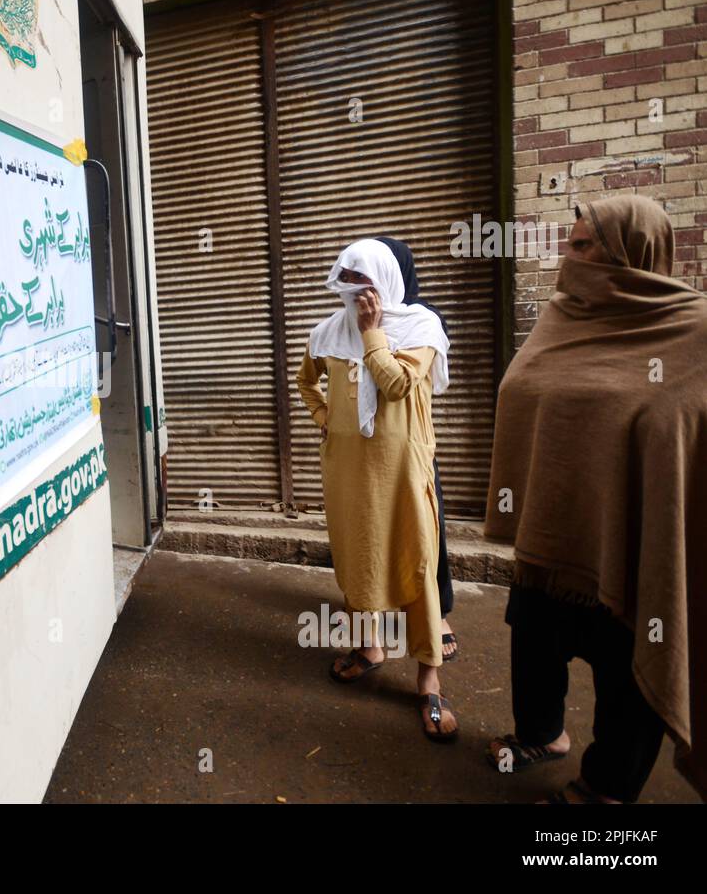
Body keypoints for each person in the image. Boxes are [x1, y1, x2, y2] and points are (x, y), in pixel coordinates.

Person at [483, 195, 707, 803]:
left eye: (584, 247)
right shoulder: (563, 315)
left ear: (633, 254)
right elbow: (524, 391)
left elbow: (684, 427)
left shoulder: (693, 330)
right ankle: (542, 733)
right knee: (533, 637)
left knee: (627, 664)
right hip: (552, 529)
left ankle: (607, 788)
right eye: (570, 244)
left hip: (633, 537)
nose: (568, 260)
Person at [296, 238, 454, 741]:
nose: (357, 298)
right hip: (347, 468)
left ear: (386, 284)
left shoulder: (420, 327)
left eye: (365, 287)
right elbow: (306, 382)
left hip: (403, 466)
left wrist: (371, 335)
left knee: (416, 560)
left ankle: (428, 679)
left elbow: (398, 385)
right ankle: (371, 647)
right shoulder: (326, 332)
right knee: (357, 556)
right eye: (348, 286)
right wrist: (327, 418)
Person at [375, 236, 459, 662]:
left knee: (429, 524)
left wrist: (373, 336)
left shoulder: (423, 319)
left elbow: (401, 383)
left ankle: (437, 611)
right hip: (367, 446)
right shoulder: (350, 317)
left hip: (411, 441)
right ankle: (376, 606)